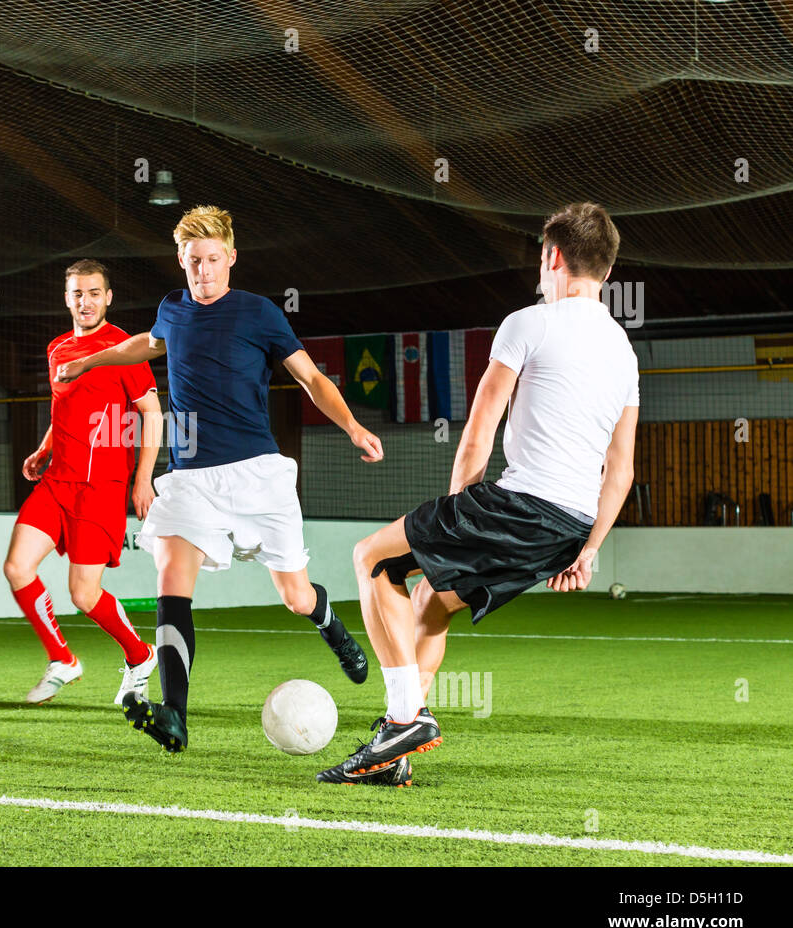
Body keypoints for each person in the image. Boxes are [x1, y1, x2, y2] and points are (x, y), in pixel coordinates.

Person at [318, 202, 638, 784]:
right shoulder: (624, 352)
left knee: (372, 558)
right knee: (430, 603)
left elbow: (481, 427)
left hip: (523, 505)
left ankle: (403, 720)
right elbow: (621, 471)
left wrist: (454, 510)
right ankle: (396, 755)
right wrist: (589, 549)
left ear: (552, 257)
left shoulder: (529, 323)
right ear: (608, 270)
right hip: (570, 529)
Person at [57, 206, 383, 754]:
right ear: (180, 261)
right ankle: (175, 714)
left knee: (295, 596)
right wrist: (89, 362)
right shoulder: (173, 308)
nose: (202, 271)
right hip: (190, 476)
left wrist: (352, 426)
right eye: (192, 261)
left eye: (211, 260)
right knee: (171, 580)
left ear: (231, 257)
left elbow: (310, 378)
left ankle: (329, 623)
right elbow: (148, 343)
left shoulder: (259, 313)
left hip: (257, 475)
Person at [4, 259, 164, 706]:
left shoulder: (124, 349)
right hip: (57, 482)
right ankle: (63, 660)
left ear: (108, 298)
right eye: (77, 293)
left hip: (102, 489)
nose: (85, 301)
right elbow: (65, 409)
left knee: (83, 594)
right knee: (17, 567)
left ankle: (140, 655)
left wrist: (143, 479)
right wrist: (44, 448)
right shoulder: (57, 349)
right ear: (67, 298)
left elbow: (152, 414)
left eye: (94, 292)